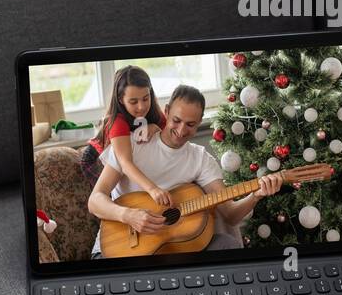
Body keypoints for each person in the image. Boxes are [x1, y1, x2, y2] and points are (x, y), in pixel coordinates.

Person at [87, 84, 282, 258]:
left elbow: (230, 214)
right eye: (176, 120)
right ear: (167, 111)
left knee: (226, 246)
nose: (181, 131)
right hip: (117, 248)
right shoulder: (132, 144)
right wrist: (128, 215)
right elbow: (95, 200)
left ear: (199, 122)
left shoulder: (200, 158)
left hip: (168, 248)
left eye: (190, 124)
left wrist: (256, 195)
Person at [88, 65, 172, 207]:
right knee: (109, 202)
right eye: (133, 102)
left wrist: (156, 127)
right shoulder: (117, 122)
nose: (141, 107)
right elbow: (125, 164)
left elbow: (169, 139)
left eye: (146, 98)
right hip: (94, 158)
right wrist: (153, 189)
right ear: (121, 99)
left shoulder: (156, 115)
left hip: (124, 155)